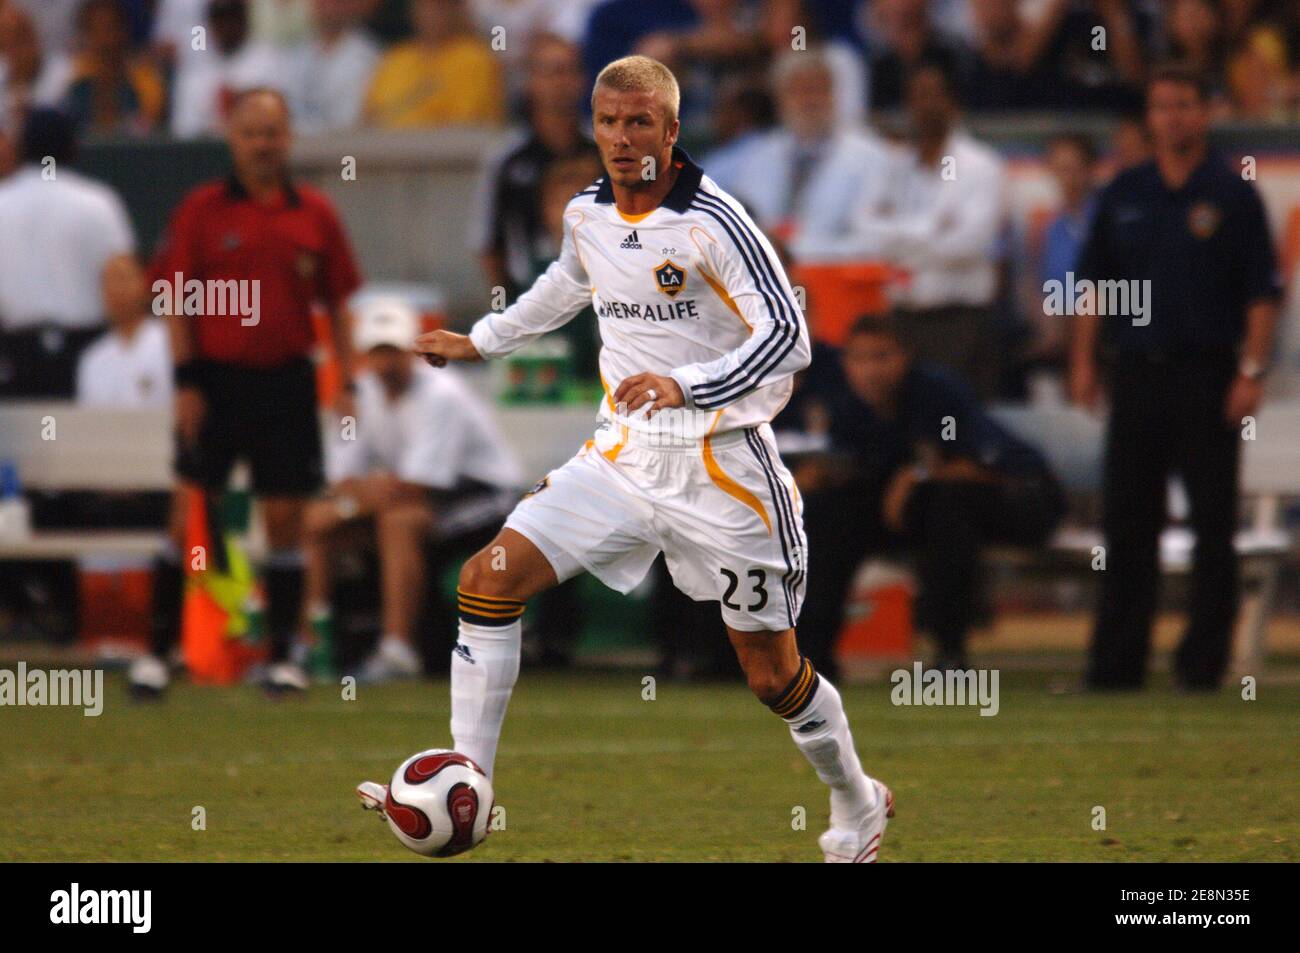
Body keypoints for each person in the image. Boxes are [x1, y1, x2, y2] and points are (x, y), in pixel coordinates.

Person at [357, 54, 896, 864]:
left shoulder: (716, 222)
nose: (620, 137)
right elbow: (564, 284)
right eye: (607, 121)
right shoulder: (586, 213)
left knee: (771, 674)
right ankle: (470, 782)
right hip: (620, 457)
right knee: (487, 579)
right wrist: (482, 338)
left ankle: (858, 799)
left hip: (724, 471)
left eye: (638, 121)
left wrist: (685, 384)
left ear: (672, 131)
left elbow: (789, 338)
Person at [129, 88, 363, 697]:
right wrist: (184, 381)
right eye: (252, 133)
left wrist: (348, 379)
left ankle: (283, 656)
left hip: (286, 379)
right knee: (188, 514)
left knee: (284, 517)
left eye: (274, 132)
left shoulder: (315, 212)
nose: (264, 144)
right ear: (232, 140)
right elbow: (174, 298)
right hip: (214, 381)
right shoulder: (201, 210)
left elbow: (339, 302)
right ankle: (157, 653)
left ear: (288, 139)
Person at [1069, 66, 1282, 692]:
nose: (1174, 118)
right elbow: (1092, 287)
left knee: (1213, 524)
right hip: (1135, 373)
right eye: (1162, 107)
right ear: (1150, 117)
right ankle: (1115, 666)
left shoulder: (1232, 192)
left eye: (1185, 106)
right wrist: (1083, 362)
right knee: (1128, 523)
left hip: (1208, 374)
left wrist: (1251, 370)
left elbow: (1262, 294)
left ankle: (1202, 666)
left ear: (1205, 112)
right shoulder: (1125, 191)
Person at [794, 314, 1063, 677]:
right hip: (918, 511)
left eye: (881, 356)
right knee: (829, 512)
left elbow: (987, 463)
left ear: (906, 356)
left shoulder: (937, 392)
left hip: (1020, 497)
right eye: (858, 358)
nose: (869, 370)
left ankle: (950, 653)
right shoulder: (849, 407)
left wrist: (915, 475)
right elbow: (859, 467)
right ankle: (813, 656)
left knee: (947, 503)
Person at [307, 297, 521, 682]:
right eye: (377, 352)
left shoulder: (441, 394)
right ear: (364, 354)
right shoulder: (358, 396)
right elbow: (343, 476)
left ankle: (398, 650)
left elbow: (416, 487)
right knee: (322, 529)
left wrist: (346, 504)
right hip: (427, 494)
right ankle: (311, 644)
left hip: (487, 496)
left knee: (398, 523)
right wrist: (346, 504)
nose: (385, 362)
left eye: (393, 351)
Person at [0, 108, 136, 397]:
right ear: (73, 147)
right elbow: (123, 284)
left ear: (22, 146)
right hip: (86, 352)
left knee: (21, 441)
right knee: (82, 441)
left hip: (16, 355)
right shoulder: (97, 202)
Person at [470, 32, 597, 304]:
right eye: (549, 72)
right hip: (530, 296)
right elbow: (488, 243)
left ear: (583, 80)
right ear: (530, 82)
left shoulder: (606, 153)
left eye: (569, 71)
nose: (560, 82)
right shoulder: (505, 159)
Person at [363, 0, 502, 129]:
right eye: (424, 6)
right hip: (385, 149)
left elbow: (464, 125)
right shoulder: (396, 59)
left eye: (439, 6)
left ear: (457, 9)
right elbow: (371, 116)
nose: (431, 14)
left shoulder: (476, 60)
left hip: (449, 152)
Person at [170, 0, 287, 139]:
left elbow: (278, 123)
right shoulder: (195, 64)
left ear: (244, 20)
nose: (226, 27)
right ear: (210, 24)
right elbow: (183, 129)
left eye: (232, 20)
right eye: (220, 21)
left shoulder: (268, 60)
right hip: (205, 152)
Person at [76, 253, 172, 408]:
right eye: (107, 282)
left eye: (122, 279)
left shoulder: (169, 345)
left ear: (145, 284)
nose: (115, 290)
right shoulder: (93, 359)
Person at [63, 0, 166, 136]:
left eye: (110, 29)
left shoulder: (147, 84)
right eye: (95, 31)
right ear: (84, 36)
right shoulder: (69, 81)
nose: (105, 40)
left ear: (124, 32)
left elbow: (150, 135)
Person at [286, 0, 380, 135]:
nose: (328, 5)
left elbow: (348, 125)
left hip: (340, 150)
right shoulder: (292, 48)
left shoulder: (369, 57)